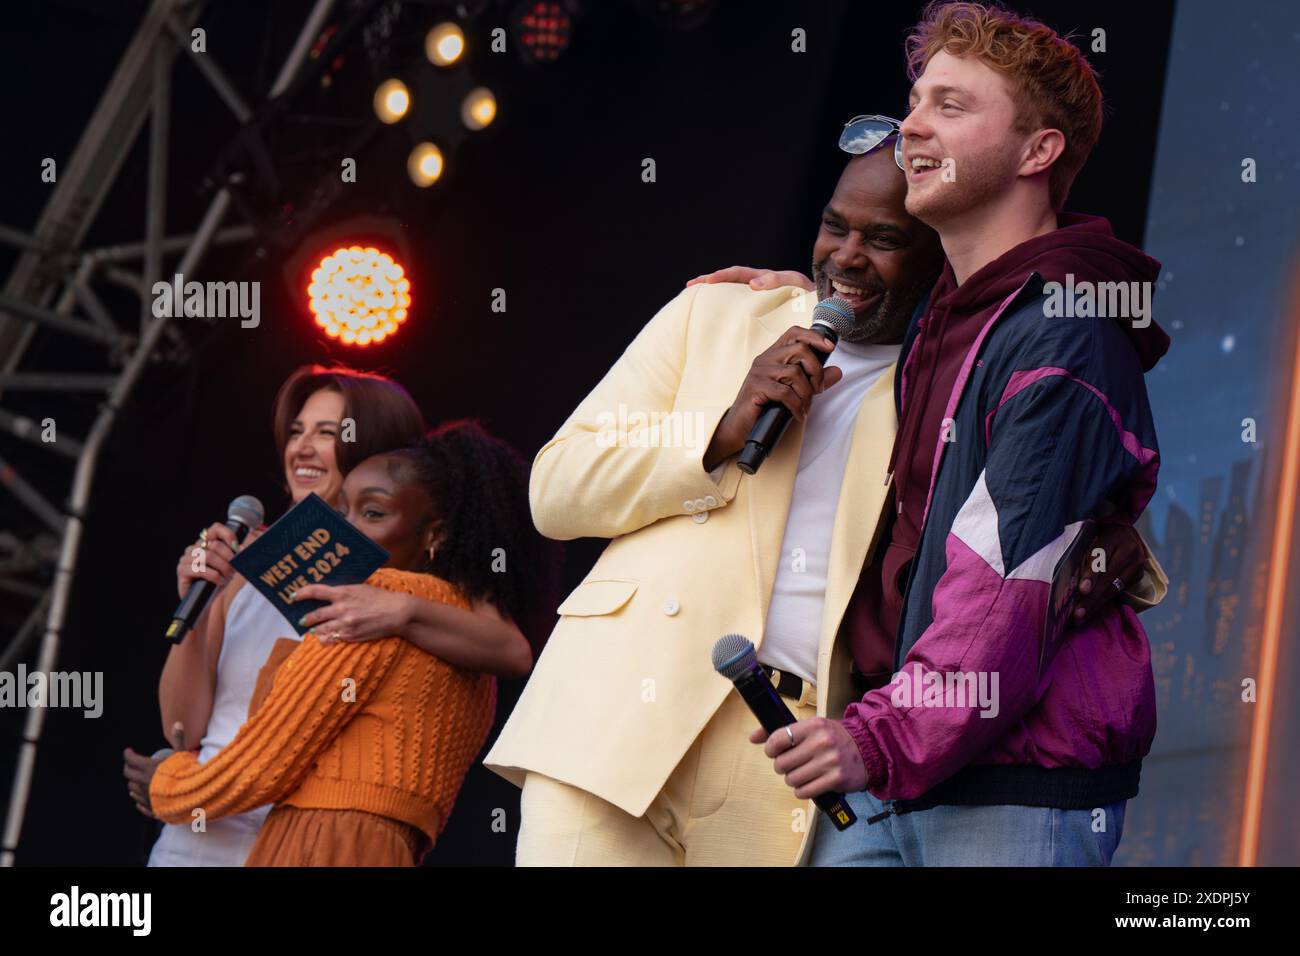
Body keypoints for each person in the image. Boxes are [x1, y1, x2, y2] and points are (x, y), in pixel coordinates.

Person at [483, 112, 1165, 864]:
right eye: (834, 228)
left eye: (883, 239)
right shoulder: (717, 314)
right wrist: (717, 430)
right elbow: (557, 490)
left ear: (941, 256)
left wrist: (1112, 544)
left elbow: (1025, 501)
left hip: (783, 745)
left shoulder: (947, 378)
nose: (845, 256)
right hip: (616, 711)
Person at [761, 1, 1168, 867]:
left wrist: (879, 740)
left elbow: (1003, 580)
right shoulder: (950, 315)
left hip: (1006, 786)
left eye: (951, 105)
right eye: (914, 102)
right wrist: (770, 298)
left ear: (1037, 151)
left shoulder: (1065, 329)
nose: (911, 124)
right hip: (894, 770)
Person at [124, 366, 533, 866]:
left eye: (327, 432)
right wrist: (196, 601)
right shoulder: (246, 559)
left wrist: (399, 607)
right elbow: (183, 730)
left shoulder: (411, 579)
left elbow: (510, 649)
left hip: (311, 844)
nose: (302, 447)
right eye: (296, 431)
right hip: (200, 836)